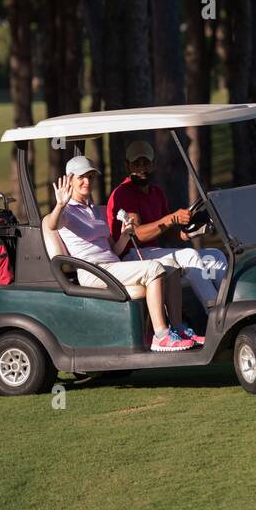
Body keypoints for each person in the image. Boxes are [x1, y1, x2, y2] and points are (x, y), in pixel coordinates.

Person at [43, 155, 202, 352]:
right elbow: (52, 224)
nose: (87, 182)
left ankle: (178, 328)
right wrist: (59, 204)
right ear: (70, 180)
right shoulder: (66, 211)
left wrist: (126, 235)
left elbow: (114, 250)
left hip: (111, 266)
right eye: (81, 177)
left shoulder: (96, 210)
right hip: (93, 272)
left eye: (91, 177)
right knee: (154, 268)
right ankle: (160, 335)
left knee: (171, 267)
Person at [106, 139, 227, 307]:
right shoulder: (123, 193)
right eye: (136, 164)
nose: (141, 169)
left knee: (215, 256)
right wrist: (171, 218)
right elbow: (137, 234)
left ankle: (228, 304)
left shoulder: (157, 192)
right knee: (189, 256)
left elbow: (167, 231)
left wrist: (188, 232)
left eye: (146, 163)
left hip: (154, 253)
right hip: (131, 257)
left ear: (153, 165)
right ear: (128, 166)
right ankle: (216, 312)